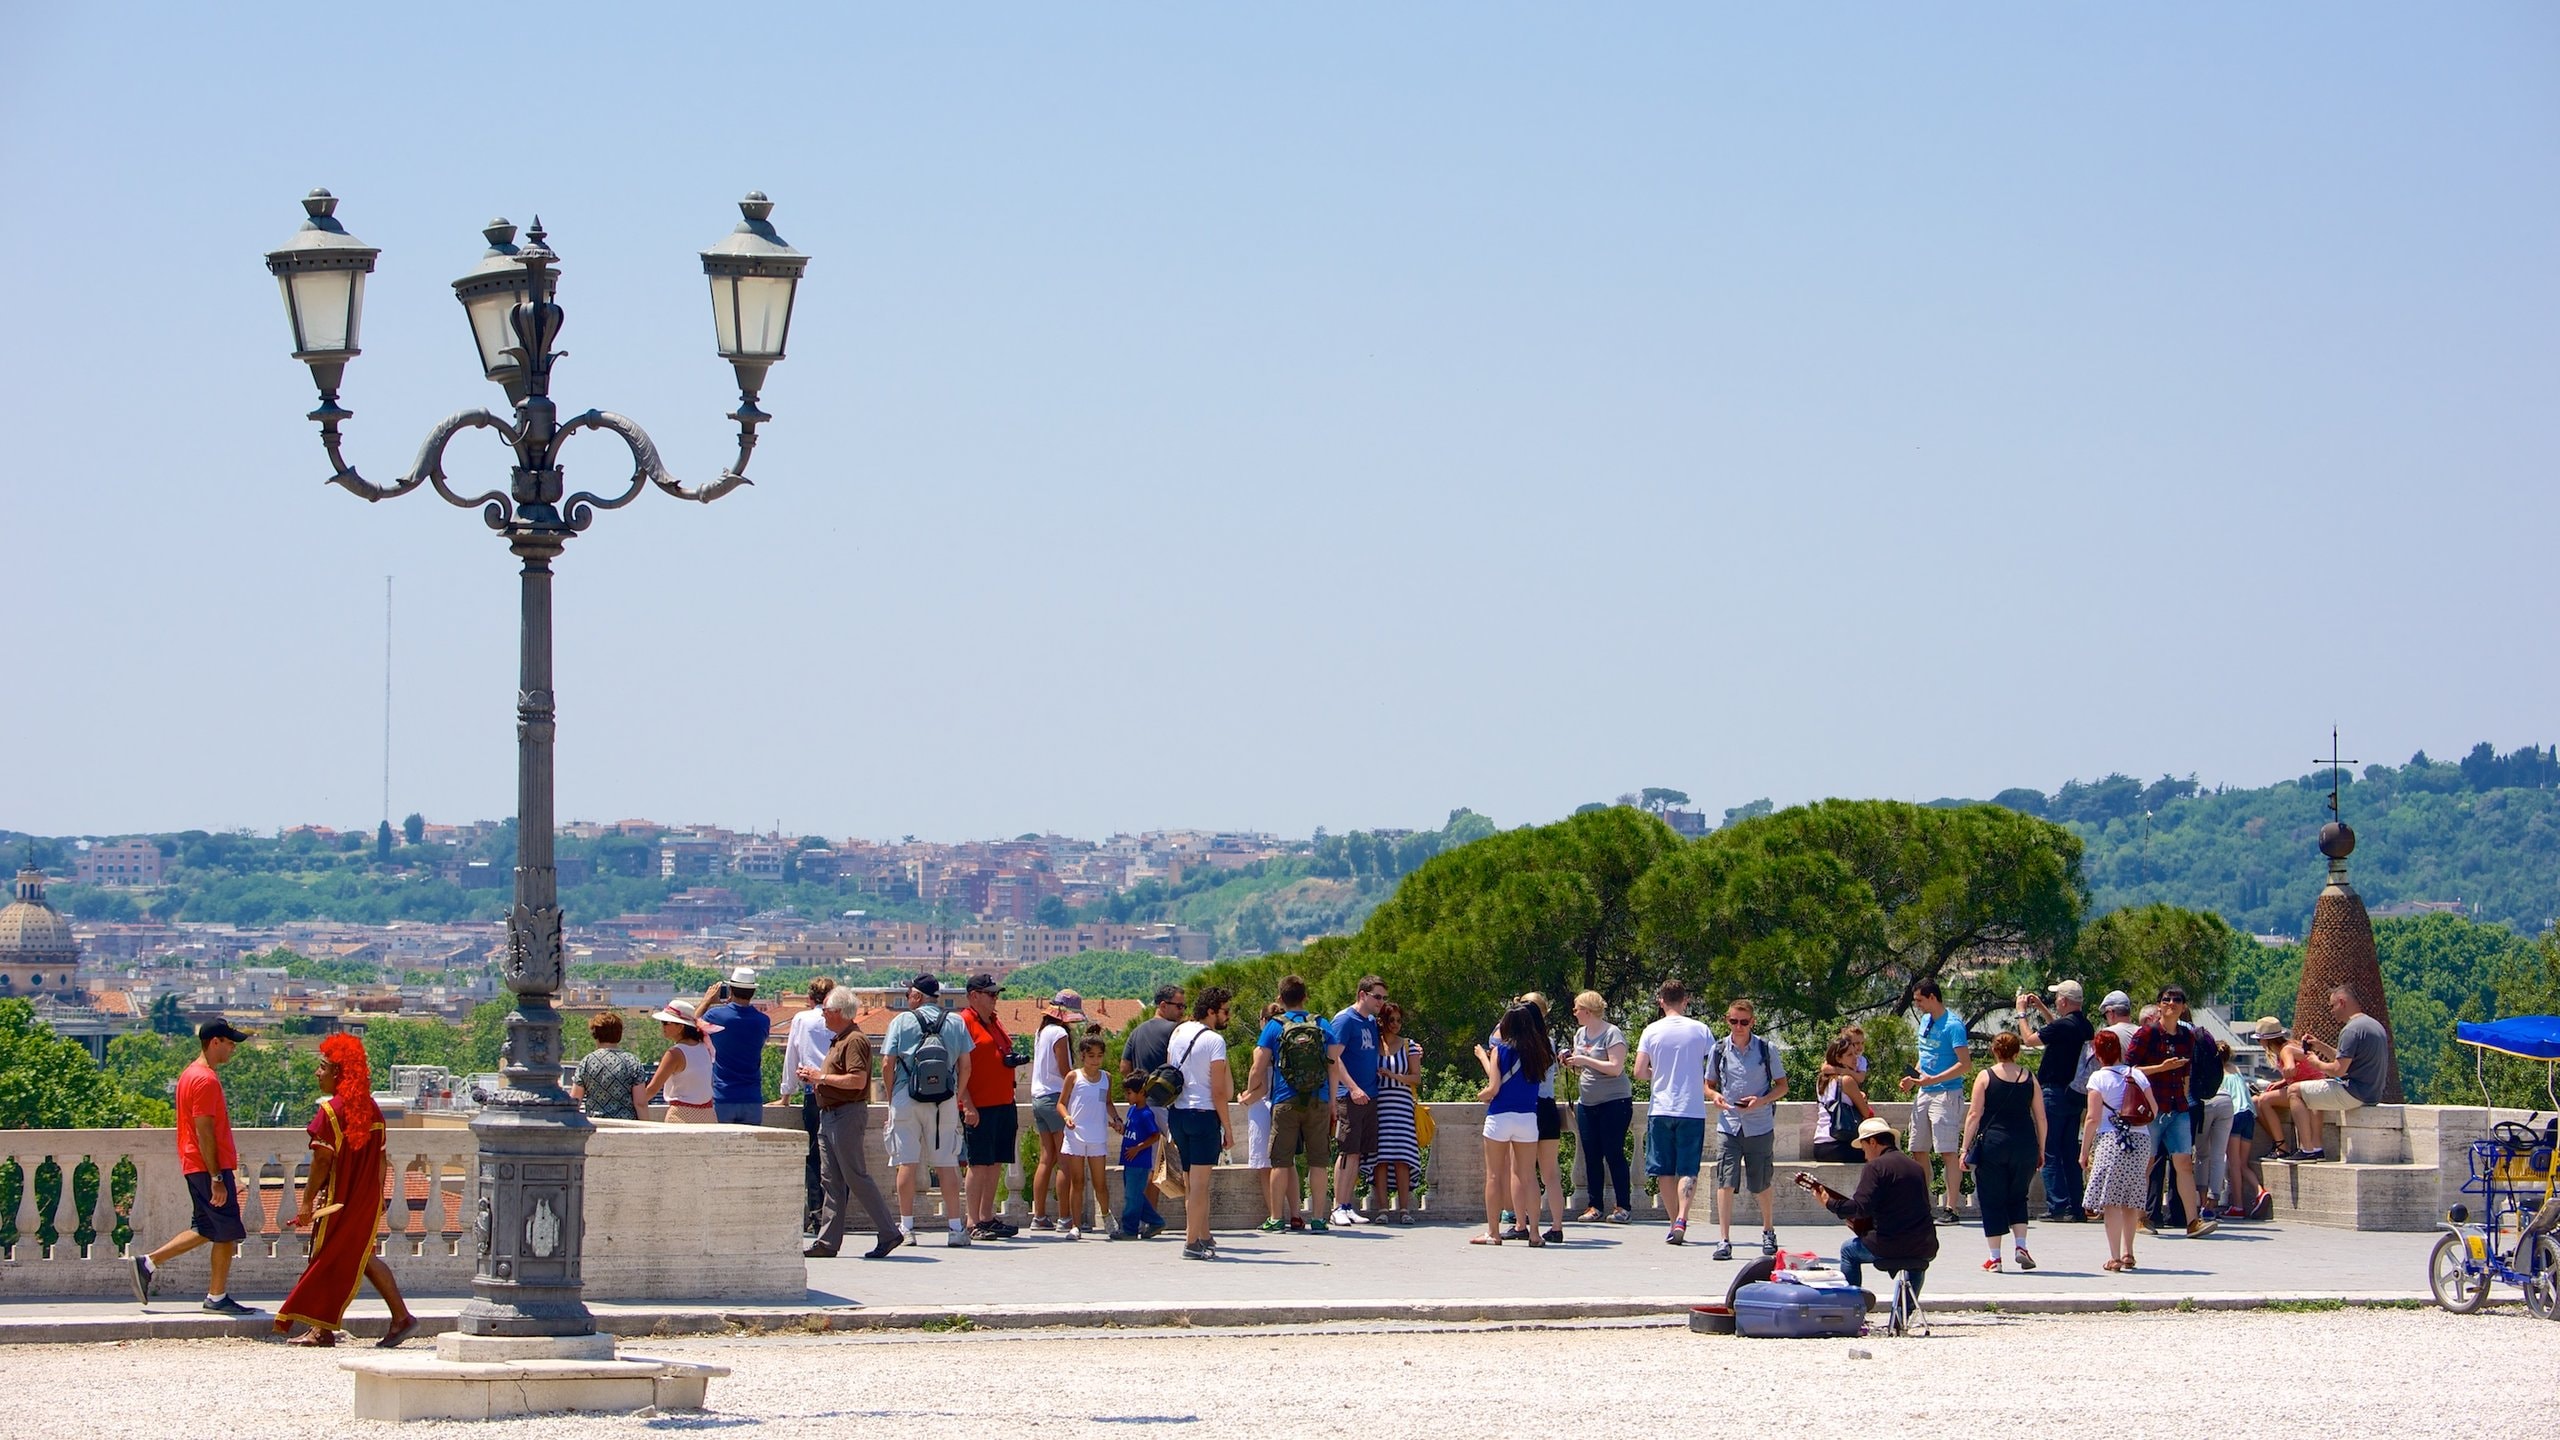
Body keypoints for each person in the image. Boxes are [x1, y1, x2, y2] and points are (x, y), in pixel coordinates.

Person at [273, 1034, 416, 1347]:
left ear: (338, 1072)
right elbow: (381, 1160)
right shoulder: (372, 1110)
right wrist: (377, 1198)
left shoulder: (331, 1112)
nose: (317, 1073)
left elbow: (321, 1162)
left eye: (322, 1067)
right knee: (358, 1257)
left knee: (327, 1255)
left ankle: (327, 1328)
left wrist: (306, 1202)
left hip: (340, 1199)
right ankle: (389, 1319)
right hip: (364, 1199)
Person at [132, 1021, 257, 1314]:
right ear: (215, 1042)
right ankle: (216, 1297)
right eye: (230, 1042)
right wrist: (217, 1177)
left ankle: (147, 1263)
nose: (233, 1048)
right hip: (207, 1166)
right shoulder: (205, 1080)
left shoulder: (190, 1074)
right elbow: (205, 1132)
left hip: (195, 1163)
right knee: (227, 1231)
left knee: (206, 1227)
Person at [799, 986, 902, 1260]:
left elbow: (857, 1081)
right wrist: (816, 1077)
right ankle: (827, 1241)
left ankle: (889, 1231)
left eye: (826, 1011)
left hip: (845, 1114)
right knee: (831, 1180)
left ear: (840, 1012)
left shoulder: (854, 1040)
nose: (823, 1015)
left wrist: (820, 1078)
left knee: (855, 1176)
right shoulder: (840, 1039)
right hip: (830, 1114)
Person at [1251, 976, 1355, 1232]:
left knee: (1281, 1161)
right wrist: (1332, 1100)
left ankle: (1276, 1218)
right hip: (1318, 1099)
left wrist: (1250, 1090)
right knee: (1318, 1162)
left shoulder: (1274, 1026)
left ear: (1280, 999)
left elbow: (1258, 1066)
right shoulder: (1321, 1024)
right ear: (1305, 997)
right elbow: (1333, 1065)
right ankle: (1318, 1218)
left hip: (1285, 1100)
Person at [882, 974, 974, 1249]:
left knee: (907, 1163)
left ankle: (907, 1227)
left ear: (917, 996)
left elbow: (887, 1063)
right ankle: (955, 1228)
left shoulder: (901, 1021)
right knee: (946, 1163)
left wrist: (892, 1097)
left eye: (909, 994)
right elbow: (966, 1066)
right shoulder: (955, 1022)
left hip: (906, 1097)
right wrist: (955, 1096)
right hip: (943, 1100)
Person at [1804, 1116, 1938, 1305]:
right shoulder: (1916, 1167)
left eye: (1864, 1148)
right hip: (1925, 1244)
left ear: (1873, 1142)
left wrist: (1830, 1203)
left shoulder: (1876, 1167)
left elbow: (1860, 1207)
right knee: (1915, 1261)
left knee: (1848, 1250)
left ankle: (1852, 1307)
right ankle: (1903, 1312)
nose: (1865, 1155)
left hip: (1890, 1244)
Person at [2127, 986, 2216, 1238]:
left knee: (2184, 1163)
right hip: (2151, 1109)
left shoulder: (2187, 1037)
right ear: (2159, 1005)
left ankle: (2193, 1221)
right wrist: (2161, 1068)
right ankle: (2140, 1218)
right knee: (2147, 1164)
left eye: (2177, 1000)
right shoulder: (2146, 1034)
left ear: (2183, 1007)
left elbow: (2186, 1072)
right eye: (2166, 999)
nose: (2171, 1003)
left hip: (2178, 1107)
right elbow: (2129, 1070)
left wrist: (2185, 1096)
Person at [1704, 997, 1788, 1260]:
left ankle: (1768, 1230)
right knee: (1725, 1181)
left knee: (1761, 1181)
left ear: (1752, 1022)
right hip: (1729, 1124)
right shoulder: (1719, 1049)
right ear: (1727, 1020)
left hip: (1759, 1124)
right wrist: (1714, 1096)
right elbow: (1708, 1085)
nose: (1738, 1027)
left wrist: (1761, 1100)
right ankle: (1724, 1239)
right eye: (1733, 1021)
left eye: (1743, 1022)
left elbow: (1782, 1086)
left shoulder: (1766, 1049)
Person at [1958, 1032, 2047, 1272]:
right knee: (2018, 1195)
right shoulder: (2029, 1077)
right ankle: (2021, 1246)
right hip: (2025, 1144)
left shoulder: (1985, 1077)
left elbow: (1974, 1114)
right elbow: (2041, 1117)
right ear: (2017, 1052)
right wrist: (2042, 1148)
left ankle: (1995, 1257)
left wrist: (1964, 1149)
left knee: (1991, 1198)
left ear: (1994, 1051)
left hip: (1993, 1144)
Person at [1634, 979, 1714, 1245]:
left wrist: (1659, 1072)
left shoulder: (1651, 1030)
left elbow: (1639, 1071)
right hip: (1691, 1108)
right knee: (1688, 1168)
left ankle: (1672, 1223)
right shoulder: (1700, 1030)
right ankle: (1682, 1217)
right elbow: (1714, 1066)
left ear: (1661, 1001)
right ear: (1685, 1000)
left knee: (1664, 1170)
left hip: (1661, 1107)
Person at [2015, 978, 2095, 1222]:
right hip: (2075, 1094)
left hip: (2054, 1092)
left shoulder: (2063, 1027)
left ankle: (2057, 1205)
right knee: (2070, 1151)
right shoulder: (2085, 1026)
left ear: (2064, 1001)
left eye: (2057, 998)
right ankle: (2075, 1206)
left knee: (2049, 1149)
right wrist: (2042, 1008)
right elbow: (2056, 1029)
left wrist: (2021, 1013)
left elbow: (2029, 1039)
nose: (2056, 1002)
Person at [1471, 1002, 1550, 1246]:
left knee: (1494, 1176)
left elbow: (1493, 1088)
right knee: (1529, 1177)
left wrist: (1481, 1094)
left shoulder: (1500, 1050)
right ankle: (1535, 1233)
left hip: (1500, 1116)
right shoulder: (1538, 1052)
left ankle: (1493, 1233)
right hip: (1527, 1117)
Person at [1167, 986, 1236, 1260]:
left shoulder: (1178, 1032)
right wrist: (1227, 1127)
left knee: (1190, 1181)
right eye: (1225, 1011)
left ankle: (1203, 1235)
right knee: (1199, 1185)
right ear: (1211, 1011)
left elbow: (1170, 1071)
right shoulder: (1214, 1041)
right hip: (1203, 1114)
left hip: (1178, 1113)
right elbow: (1219, 1091)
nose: (1228, 1016)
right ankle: (1191, 1242)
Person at [2082, 1028, 2158, 1272]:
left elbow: (2093, 1118)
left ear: (2097, 1054)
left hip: (2111, 1139)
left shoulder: (2098, 1078)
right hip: (2140, 1140)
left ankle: (2114, 1256)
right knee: (2131, 1199)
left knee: (2111, 1201)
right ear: (2120, 1051)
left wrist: (2084, 1151)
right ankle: (2128, 1253)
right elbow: (2154, 1109)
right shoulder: (2137, 1074)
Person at [958, 973, 1026, 1240]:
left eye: (996, 994)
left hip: (1003, 1102)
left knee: (996, 1161)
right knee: (978, 1163)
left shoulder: (994, 1021)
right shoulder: (964, 1022)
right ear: (974, 996)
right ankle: (972, 1221)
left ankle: (987, 1216)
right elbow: (958, 1068)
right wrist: (967, 1104)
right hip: (979, 1106)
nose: (995, 998)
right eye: (990, 994)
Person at [2286, 984, 2394, 1152]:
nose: (2331, 1011)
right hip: (2372, 1093)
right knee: (2313, 1092)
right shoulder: (2374, 1025)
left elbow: (2338, 1070)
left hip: (2353, 1093)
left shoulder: (2350, 1030)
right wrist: (2320, 1046)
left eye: (2332, 1006)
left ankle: (2307, 1149)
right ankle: (2315, 1147)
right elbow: (2346, 1059)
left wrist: (2316, 1063)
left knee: (2293, 1091)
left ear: (2342, 1002)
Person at [1898, 978, 1971, 1223]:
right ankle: (1923, 1204)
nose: (1916, 1005)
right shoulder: (1925, 1021)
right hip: (1924, 1092)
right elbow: (1926, 1055)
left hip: (1946, 1093)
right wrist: (1913, 1078)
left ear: (1932, 997)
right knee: (1918, 1148)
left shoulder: (1953, 1025)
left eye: (1919, 1000)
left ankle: (1951, 1208)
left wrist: (1934, 1079)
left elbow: (1965, 1064)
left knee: (1947, 1151)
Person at [1561, 991, 1631, 1222]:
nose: (1574, 1013)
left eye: (1576, 1009)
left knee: (1613, 1153)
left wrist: (1585, 1060)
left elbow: (1615, 1068)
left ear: (1587, 1011)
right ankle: (1594, 1206)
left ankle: (1623, 1206)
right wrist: (1571, 1063)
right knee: (1591, 1155)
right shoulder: (1580, 1034)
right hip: (1587, 1103)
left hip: (1614, 1102)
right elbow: (1584, 1069)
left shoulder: (1612, 1033)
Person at [1122, 983, 1187, 1222]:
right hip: (1163, 1106)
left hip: (1140, 1107)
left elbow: (1124, 1068)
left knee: (1144, 1167)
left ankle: (1142, 1218)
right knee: (1157, 1168)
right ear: (1163, 1005)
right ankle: (1149, 1219)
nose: (1182, 1011)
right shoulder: (1175, 1031)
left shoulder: (1136, 1032)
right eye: (1179, 1006)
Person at [777, 978, 838, 1232]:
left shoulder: (802, 1019)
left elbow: (792, 1056)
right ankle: (837, 1214)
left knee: (813, 1156)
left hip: (813, 1093)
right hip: (839, 1093)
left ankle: (816, 1215)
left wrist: (786, 1093)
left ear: (810, 998)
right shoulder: (840, 1019)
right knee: (839, 1157)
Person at [1329, 976, 1388, 1226]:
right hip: (1349, 1095)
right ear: (1362, 995)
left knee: (1357, 1153)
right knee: (1347, 1150)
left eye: (1384, 998)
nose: (1381, 1002)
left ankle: (1346, 1204)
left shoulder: (1371, 1022)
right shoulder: (1344, 1020)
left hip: (1370, 1095)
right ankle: (1336, 1207)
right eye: (1377, 997)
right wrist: (1353, 1088)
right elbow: (1334, 1058)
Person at [1514, 992, 1572, 1243]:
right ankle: (1557, 1226)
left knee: (1521, 1171)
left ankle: (1521, 1223)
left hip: (1526, 1108)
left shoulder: (1517, 1044)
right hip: (1548, 1108)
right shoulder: (1549, 1043)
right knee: (1551, 1173)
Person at [1055, 1034, 1119, 1239]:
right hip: (1076, 1134)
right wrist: (1067, 1117)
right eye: (1091, 1056)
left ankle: (1106, 1215)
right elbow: (1061, 1103)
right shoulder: (1073, 1077)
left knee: (1100, 1183)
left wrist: (1116, 1119)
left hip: (1097, 1135)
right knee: (1078, 1181)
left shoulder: (1106, 1077)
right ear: (1083, 1056)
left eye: (1099, 1055)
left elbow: (1107, 1102)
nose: (1095, 1060)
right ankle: (1075, 1224)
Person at [1367, 1002, 1425, 1224]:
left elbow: (1416, 1078)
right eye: (1391, 1020)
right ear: (1382, 1021)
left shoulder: (1410, 1046)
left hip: (1401, 1105)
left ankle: (1404, 1209)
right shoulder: (1372, 1046)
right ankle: (1382, 1209)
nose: (1395, 1024)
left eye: (1399, 1020)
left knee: (1403, 1157)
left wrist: (1393, 1075)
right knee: (1380, 1158)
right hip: (1379, 1103)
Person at [1026, 993, 1078, 1230]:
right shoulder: (1059, 1034)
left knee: (1046, 1159)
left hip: (1038, 1098)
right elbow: (1065, 1069)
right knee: (1065, 1161)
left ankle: (1039, 1216)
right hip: (1056, 1098)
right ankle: (1065, 1217)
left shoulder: (1042, 1032)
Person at [698, 967, 773, 1126]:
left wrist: (707, 1001)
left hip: (723, 1096)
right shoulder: (763, 1021)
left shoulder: (715, 1016)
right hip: (752, 1098)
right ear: (753, 992)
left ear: (730, 990)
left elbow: (689, 1027)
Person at [2253, 1017, 2328, 1158]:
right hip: (2316, 1087)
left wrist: (2288, 1074)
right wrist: (2283, 1082)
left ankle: (2281, 1147)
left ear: (2265, 1040)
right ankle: (2288, 1147)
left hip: (2307, 1090)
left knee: (2263, 1100)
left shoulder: (2285, 1050)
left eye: (2259, 1040)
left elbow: (2290, 1068)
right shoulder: (2291, 1045)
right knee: (2259, 1101)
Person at [636, 1000, 718, 1122]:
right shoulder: (705, 1047)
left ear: (680, 1027)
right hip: (708, 1114)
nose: (662, 1026)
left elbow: (652, 1089)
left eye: (666, 1023)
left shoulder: (674, 1054)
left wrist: (635, 1103)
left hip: (681, 1115)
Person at [567, 1012, 651, 1123]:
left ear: (595, 1034)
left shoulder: (587, 1062)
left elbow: (575, 1100)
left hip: (596, 1124)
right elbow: (640, 1103)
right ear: (619, 1034)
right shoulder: (632, 1062)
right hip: (626, 1125)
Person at [1114, 1073, 1164, 1240]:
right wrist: (1120, 1129)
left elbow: (1155, 1135)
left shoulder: (1146, 1114)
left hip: (1140, 1162)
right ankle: (1156, 1221)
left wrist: (1138, 1148)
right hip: (1129, 1161)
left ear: (1142, 1092)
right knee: (1134, 1195)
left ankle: (1129, 1229)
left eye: (1129, 1093)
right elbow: (1131, 1131)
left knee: (1132, 1196)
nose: (1126, 1096)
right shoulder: (1132, 1110)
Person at [1810, 1033, 1873, 1164]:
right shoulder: (1847, 1081)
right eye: (1849, 1055)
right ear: (1838, 1059)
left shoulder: (1821, 1081)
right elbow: (1866, 1113)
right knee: (1882, 1153)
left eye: (1855, 1053)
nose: (1855, 1058)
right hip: (1838, 1144)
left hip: (1820, 1146)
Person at [2196, 1040, 2240, 1214]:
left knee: (2202, 1154)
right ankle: (2213, 1200)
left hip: (2206, 1101)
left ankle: (2201, 1200)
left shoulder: (2201, 1060)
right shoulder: (2230, 1068)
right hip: (2226, 1101)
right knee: (2218, 1155)